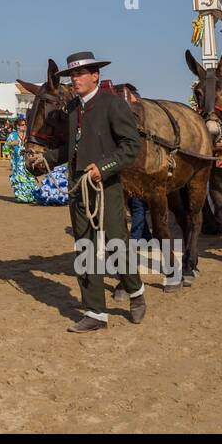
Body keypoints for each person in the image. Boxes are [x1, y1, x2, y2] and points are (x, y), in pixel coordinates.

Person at [38, 52, 145, 330]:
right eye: (72, 75)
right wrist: (48, 158)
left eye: (80, 74)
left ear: (95, 75)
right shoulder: (73, 108)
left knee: (115, 244)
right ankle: (95, 313)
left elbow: (131, 145)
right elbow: (73, 148)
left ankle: (135, 291)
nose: (75, 79)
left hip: (106, 187)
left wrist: (104, 166)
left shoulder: (112, 105)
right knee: (85, 248)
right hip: (79, 189)